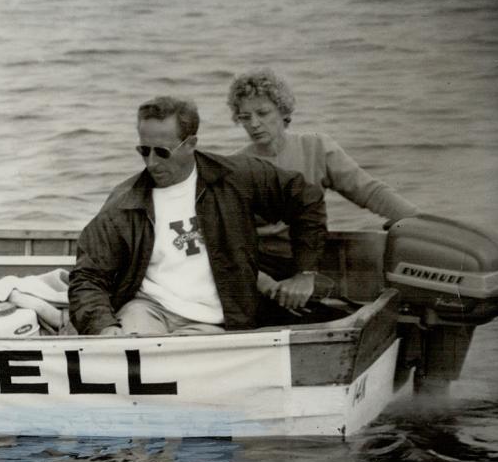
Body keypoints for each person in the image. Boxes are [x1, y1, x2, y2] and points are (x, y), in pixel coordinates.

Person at [67, 96, 327, 337]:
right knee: (130, 347)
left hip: (215, 320)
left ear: (190, 144)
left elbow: (306, 199)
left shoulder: (236, 177)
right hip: (148, 309)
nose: (152, 163)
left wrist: (305, 272)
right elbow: (88, 276)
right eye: (144, 151)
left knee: (180, 359)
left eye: (162, 152)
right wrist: (103, 326)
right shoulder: (124, 203)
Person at [226, 67, 419, 295]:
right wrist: (264, 283)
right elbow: (229, 241)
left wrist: (418, 221)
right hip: (262, 269)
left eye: (263, 113)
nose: (254, 124)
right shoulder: (234, 165)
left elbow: (369, 192)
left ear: (282, 110)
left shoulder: (315, 147)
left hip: (311, 260)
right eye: (245, 117)